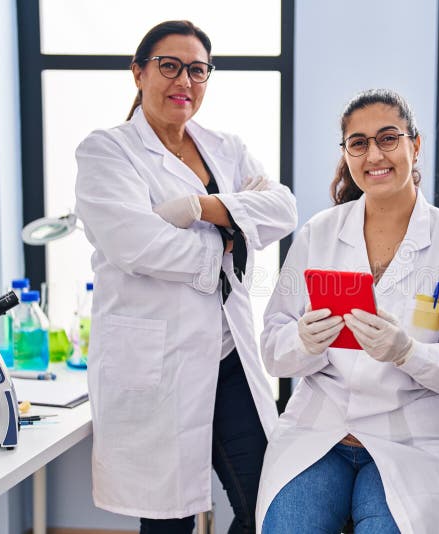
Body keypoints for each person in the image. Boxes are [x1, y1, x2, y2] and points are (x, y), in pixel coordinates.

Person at [74, 20, 297, 534]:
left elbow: (282, 208)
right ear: (138, 73)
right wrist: (226, 236)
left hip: (227, 353)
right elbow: (136, 244)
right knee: (168, 519)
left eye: (197, 70)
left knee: (269, 503)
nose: (184, 81)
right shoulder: (107, 151)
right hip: (159, 359)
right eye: (168, 66)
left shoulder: (225, 147)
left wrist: (202, 205)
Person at [255, 89, 439, 533]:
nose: (374, 155)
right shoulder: (318, 234)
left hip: (414, 437)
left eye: (388, 138)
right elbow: (273, 348)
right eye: (358, 143)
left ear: (414, 144)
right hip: (321, 429)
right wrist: (302, 341)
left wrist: (408, 352)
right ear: (346, 154)